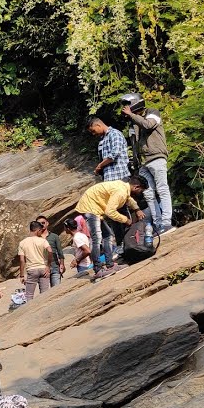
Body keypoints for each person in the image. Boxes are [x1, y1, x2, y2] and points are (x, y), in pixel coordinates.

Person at [122, 94, 175, 234]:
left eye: (127, 105)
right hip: (144, 163)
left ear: (135, 104)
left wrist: (131, 115)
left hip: (157, 157)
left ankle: (166, 222)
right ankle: (158, 225)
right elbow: (134, 144)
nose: (125, 108)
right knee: (149, 194)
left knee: (162, 189)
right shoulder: (133, 122)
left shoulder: (153, 112)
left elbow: (148, 124)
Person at [75, 176, 147, 278]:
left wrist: (137, 209)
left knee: (108, 235)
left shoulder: (123, 187)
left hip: (95, 207)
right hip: (90, 208)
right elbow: (110, 212)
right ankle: (98, 270)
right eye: (141, 190)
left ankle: (110, 265)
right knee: (97, 239)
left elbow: (128, 199)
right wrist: (126, 220)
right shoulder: (121, 191)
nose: (140, 193)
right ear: (136, 187)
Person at [17, 221, 54, 301]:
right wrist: (48, 265)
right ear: (37, 230)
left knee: (29, 295)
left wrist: (22, 275)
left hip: (31, 269)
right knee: (44, 294)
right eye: (41, 230)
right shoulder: (43, 240)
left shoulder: (22, 243)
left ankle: (30, 312)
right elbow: (50, 251)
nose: (42, 232)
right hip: (43, 268)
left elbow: (22, 260)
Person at [88, 116, 131, 182]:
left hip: (119, 177)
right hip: (109, 179)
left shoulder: (114, 133)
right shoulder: (103, 139)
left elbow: (114, 154)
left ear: (98, 125)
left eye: (93, 131)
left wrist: (100, 165)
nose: (93, 134)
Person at [35, 215, 65, 287]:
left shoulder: (54, 236)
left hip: (55, 267)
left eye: (43, 223)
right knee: (44, 292)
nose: (42, 225)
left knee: (56, 290)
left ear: (47, 223)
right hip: (42, 268)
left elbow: (60, 252)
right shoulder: (35, 238)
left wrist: (62, 264)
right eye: (39, 224)